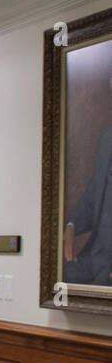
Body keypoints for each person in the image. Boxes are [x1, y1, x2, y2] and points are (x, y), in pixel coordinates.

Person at [63, 73, 112, 286]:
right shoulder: (107, 140)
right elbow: (92, 197)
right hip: (93, 256)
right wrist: (71, 227)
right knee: (63, 278)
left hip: (108, 267)